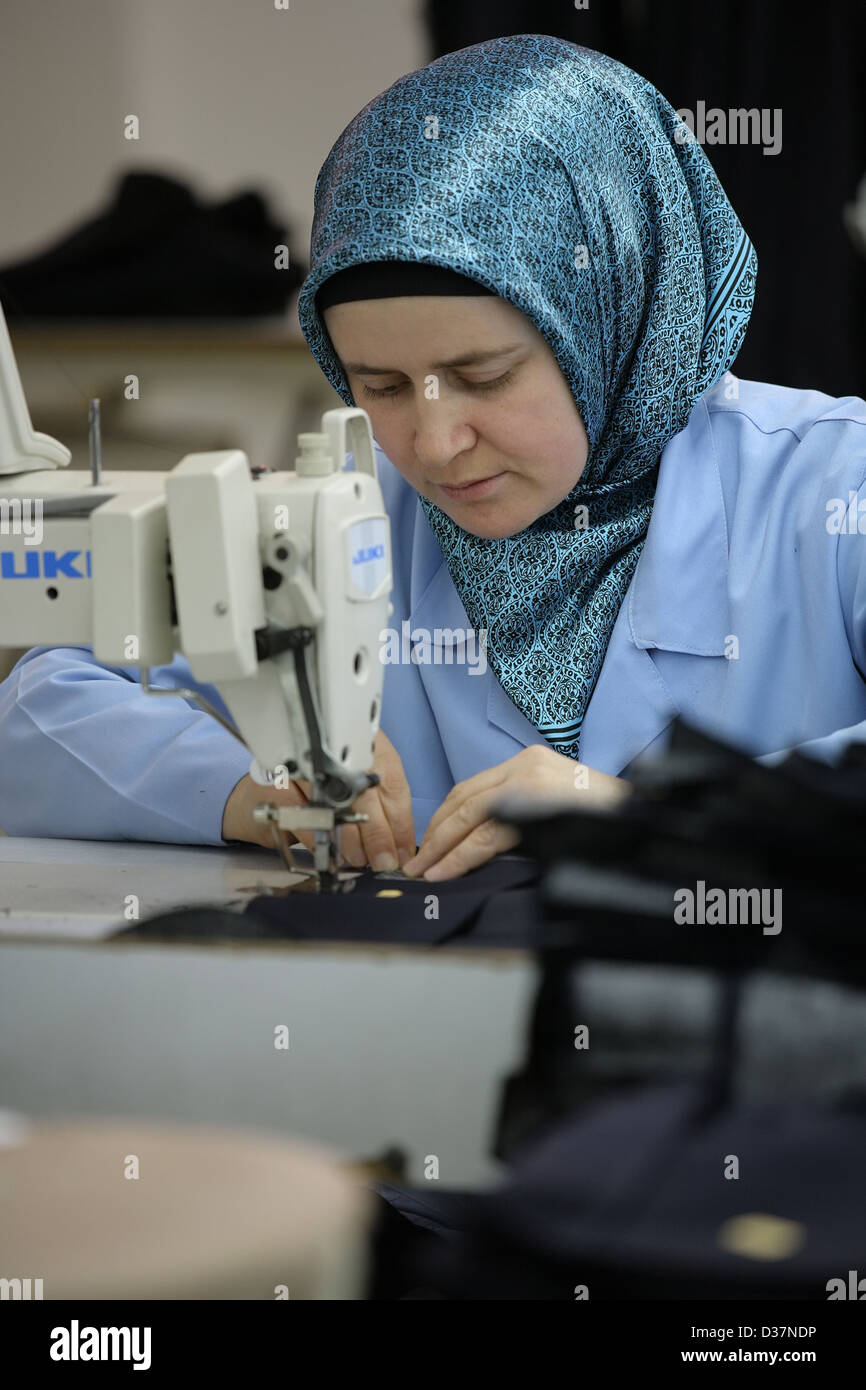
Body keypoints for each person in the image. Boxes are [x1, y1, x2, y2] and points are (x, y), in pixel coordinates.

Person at [1, 34, 865, 883]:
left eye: (482, 376)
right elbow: (37, 711)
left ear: (614, 315)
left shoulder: (832, 492)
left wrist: (642, 815)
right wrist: (252, 793)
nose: (435, 443)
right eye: (379, 385)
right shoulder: (345, 519)